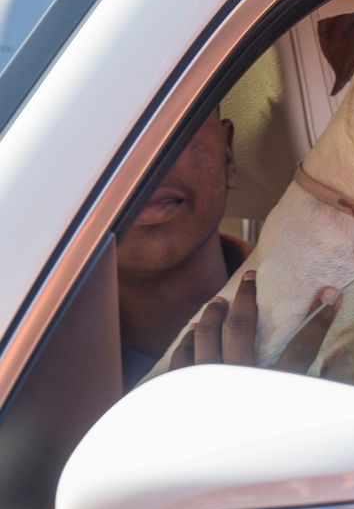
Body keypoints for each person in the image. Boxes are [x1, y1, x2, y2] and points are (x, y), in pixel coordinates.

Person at [117, 110, 334, 389]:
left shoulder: (331, 330)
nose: (143, 162)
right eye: (102, 140)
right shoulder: (42, 347)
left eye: (175, 124)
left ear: (227, 153)